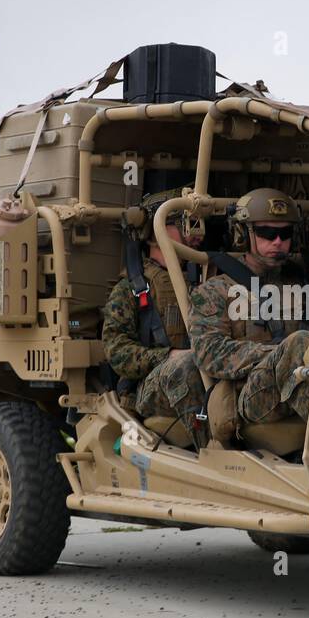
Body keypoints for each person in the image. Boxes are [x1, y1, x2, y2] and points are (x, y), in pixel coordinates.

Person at [187, 188, 309, 435]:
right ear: (243, 234)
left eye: (285, 233)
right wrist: (278, 354)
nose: (278, 241)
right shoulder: (216, 290)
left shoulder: (303, 286)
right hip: (249, 395)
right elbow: (208, 352)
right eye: (267, 233)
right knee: (299, 342)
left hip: (303, 382)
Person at [101, 188, 208, 448]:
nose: (193, 232)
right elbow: (117, 352)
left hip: (199, 373)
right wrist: (168, 356)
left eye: (195, 223)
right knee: (185, 369)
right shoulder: (131, 289)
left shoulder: (206, 279)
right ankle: (211, 451)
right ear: (154, 231)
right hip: (148, 389)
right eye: (183, 223)